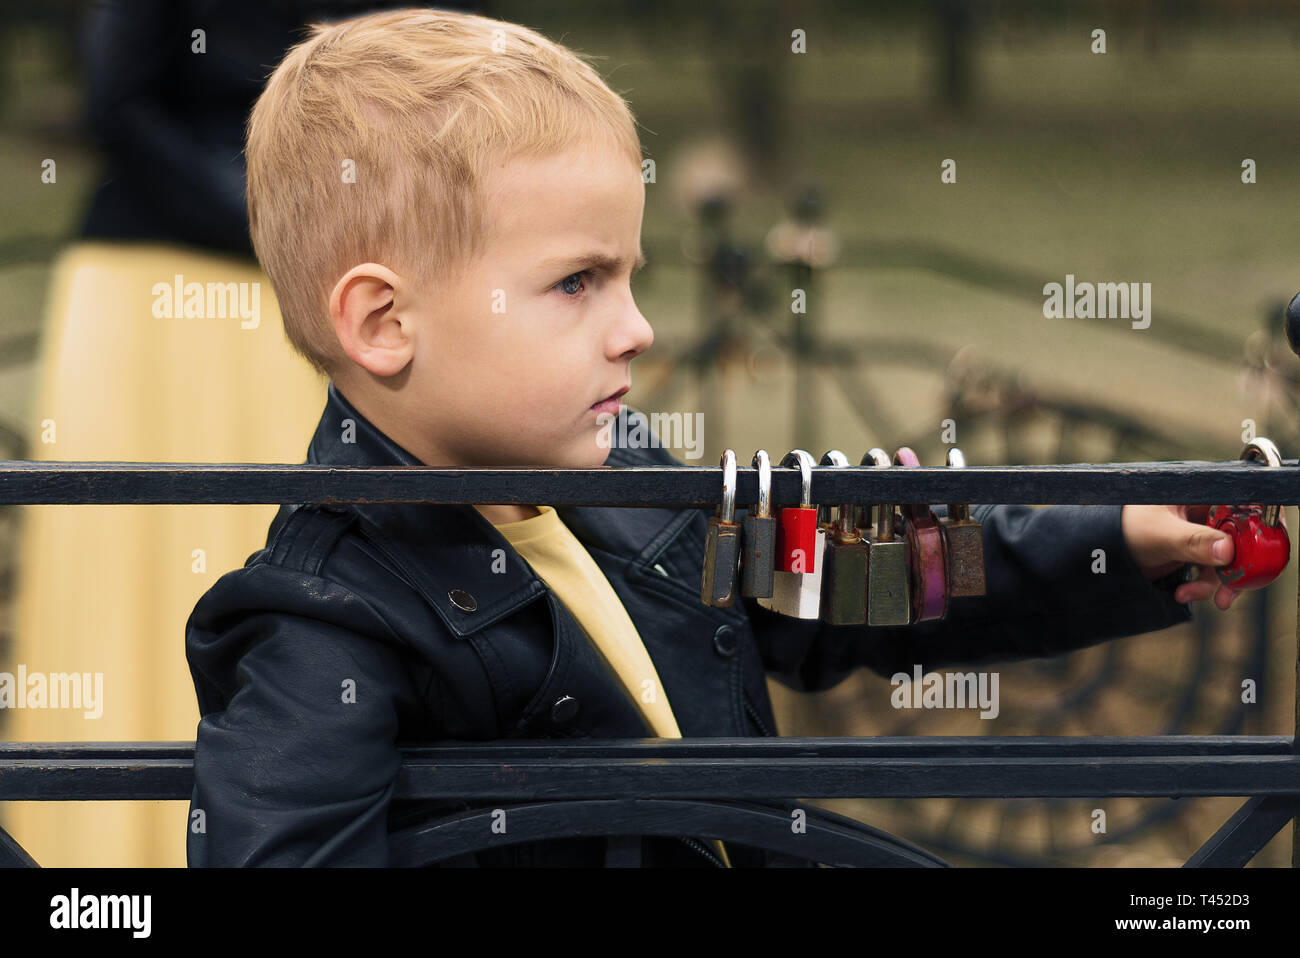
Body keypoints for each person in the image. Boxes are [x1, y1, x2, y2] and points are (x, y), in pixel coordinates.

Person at [184, 7, 1245, 867]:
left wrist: (1116, 536)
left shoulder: (632, 478)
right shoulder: (323, 620)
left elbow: (856, 588)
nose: (637, 328)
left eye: (630, 275)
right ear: (383, 324)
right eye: (575, 282)